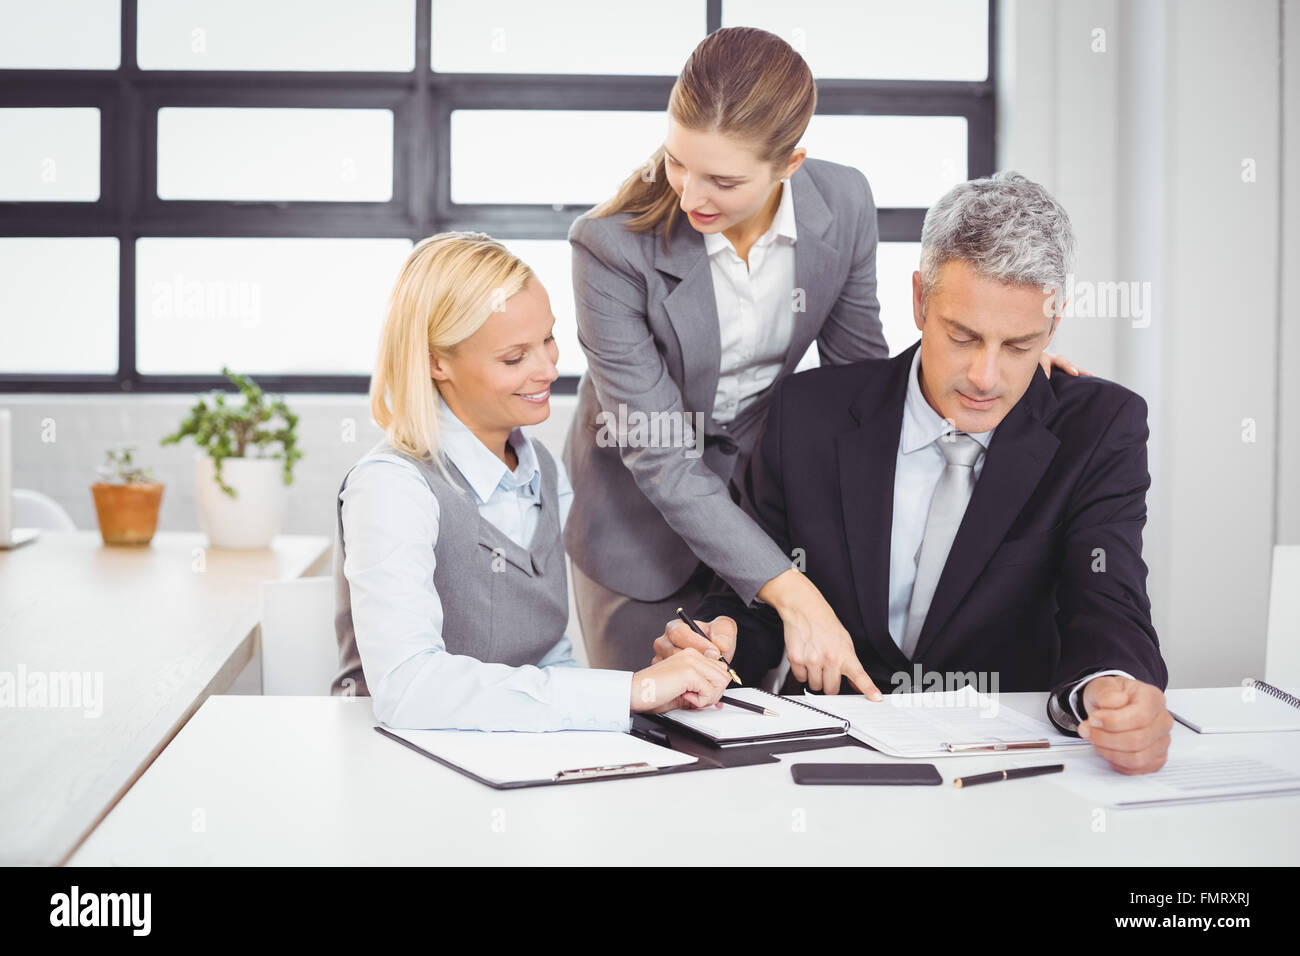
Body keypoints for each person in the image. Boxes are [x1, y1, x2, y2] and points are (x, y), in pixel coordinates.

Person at [563, 26, 1083, 693]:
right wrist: (795, 594)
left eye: (722, 179)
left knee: (758, 742)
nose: (690, 195)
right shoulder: (609, 249)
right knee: (654, 739)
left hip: (770, 506)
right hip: (641, 534)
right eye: (676, 162)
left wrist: (997, 362)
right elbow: (661, 456)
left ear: (790, 163)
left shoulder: (842, 205)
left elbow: (858, 377)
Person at [656, 172, 1173, 775]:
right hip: (831, 759)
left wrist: (1108, 687)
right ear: (920, 299)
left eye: (1018, 345)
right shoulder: (808, 414)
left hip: (1007, 766)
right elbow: (761, 602)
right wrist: (719, 645)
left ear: (1053, 325)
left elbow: (1107, 598)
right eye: (963, 336)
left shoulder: (1100, 426)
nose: (985, 376)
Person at [329, 232, 731, 730]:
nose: (548, 369)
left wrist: (642, 708)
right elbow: (409, 688)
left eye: (549, 338)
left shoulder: (542, 466)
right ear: (437, 361)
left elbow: (545, 659)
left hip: (510, 765)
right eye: (514, 357)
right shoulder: (392, 487)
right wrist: (627, 692)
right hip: (400, 770)